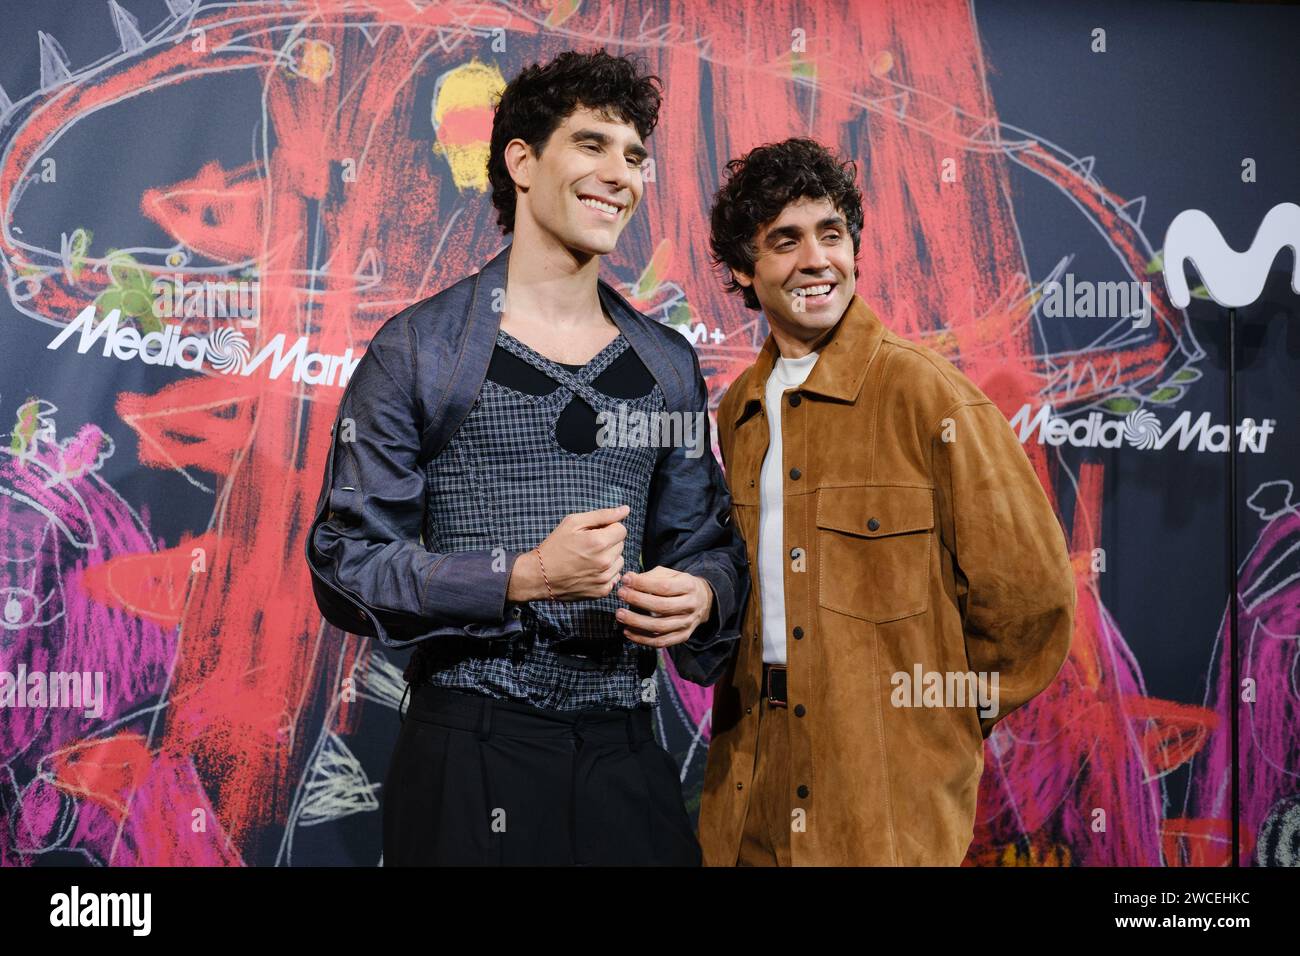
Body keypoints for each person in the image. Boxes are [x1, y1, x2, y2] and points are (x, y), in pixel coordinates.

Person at [305, 49, 748, 866]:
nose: (620, 173)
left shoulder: (667, 364)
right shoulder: (419, 351)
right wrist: (524, 577)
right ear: (519, 161)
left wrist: (702, 596)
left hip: (625, 750)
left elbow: (709, 547)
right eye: (591, 145)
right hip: (469, 756)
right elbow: (347, 562)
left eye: (634, 156)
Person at [697, 137, 1076, 866]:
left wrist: (939, 722)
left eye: (831, 234)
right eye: (785, 241)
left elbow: (1033, 598)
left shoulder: (929, 396)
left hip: (882, 798)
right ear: (745, 270)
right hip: (747, 782)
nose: (816, 260)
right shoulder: (738, 409)